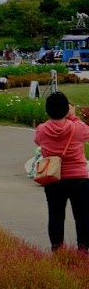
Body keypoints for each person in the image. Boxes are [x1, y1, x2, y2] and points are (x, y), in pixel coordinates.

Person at [34, 91, 89, 251]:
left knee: (56, 217)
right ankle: (83, 251)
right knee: (82, 217)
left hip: (53, 178)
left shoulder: (42, 129)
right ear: (66, 109)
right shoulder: (77, 127)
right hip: (79, 178)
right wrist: (72, 116)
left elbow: (38, 141)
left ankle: (57, 250)